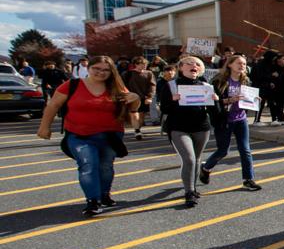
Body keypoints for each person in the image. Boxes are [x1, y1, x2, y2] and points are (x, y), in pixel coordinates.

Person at [36, 54, 140, 217]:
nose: (101, 72)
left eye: (106, 70)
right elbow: (53, 105)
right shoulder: (72, 85)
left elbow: (133, 107)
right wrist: (44, 127)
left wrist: (136, 98)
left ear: (112, 71)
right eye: (96, 68)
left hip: (110, 136)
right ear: (88, 68)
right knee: (88, 164)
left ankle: (104, 194)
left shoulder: (117, 88)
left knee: (106, 167)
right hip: (78, 135)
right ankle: (93, 201)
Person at [200, 54, 262, 192]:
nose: (242, 66)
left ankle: (248, 179)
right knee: (223, 151)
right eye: (239, 63)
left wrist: (254, 99)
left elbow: (247, 98)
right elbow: (212, 102)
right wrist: (229, 100)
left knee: (245, 150)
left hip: (240, 119)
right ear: (229, 64)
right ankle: (205, 168)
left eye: (244, 64)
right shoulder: (219, 81)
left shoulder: (246, 81)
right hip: (224, 120)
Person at [157, 55, 213, 207]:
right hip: (178, 127)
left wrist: (216, 100)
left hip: (201, 127)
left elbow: (215, 110)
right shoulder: (171, 85)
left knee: (197, 159)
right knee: (189, 159)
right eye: (189, 63)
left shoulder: (205, 84)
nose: (193, 65)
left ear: (200, 69)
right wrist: (173, 100)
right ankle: (188, 192)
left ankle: (193, 188)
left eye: (197, 64)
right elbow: (164, 108)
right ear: (181, 68)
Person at [124, 57, 154, 139]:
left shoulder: (149, 74)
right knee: (134, 115)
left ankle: (138, 130)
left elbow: (152, 86)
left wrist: (150, 97)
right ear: (136, 64)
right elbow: (123, 86)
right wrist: (126, 96)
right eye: (142, 64)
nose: (144, 66)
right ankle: (137, 131)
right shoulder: (128, 74)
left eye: (146, 64)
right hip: (132, 98)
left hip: (144, 98)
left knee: (141, 117)